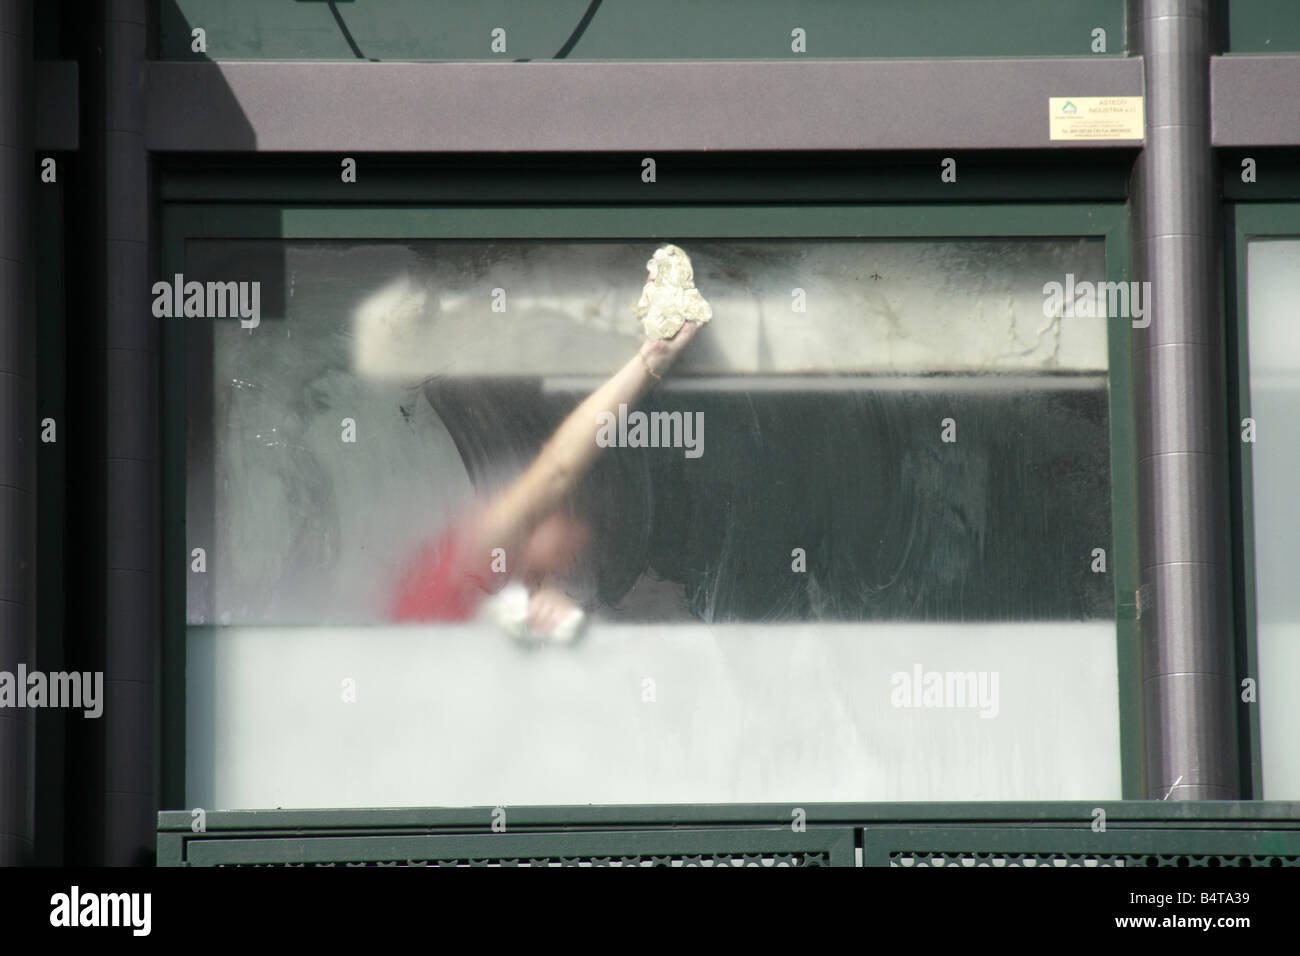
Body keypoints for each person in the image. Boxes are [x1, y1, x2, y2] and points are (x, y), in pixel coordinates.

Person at [389, 311, 703, 635]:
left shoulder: (495, 591)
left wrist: (546, 615)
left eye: (569, 555)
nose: (569, 547)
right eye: (560, 518)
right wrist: (650, 361)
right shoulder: (473, 552)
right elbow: (558, 468)